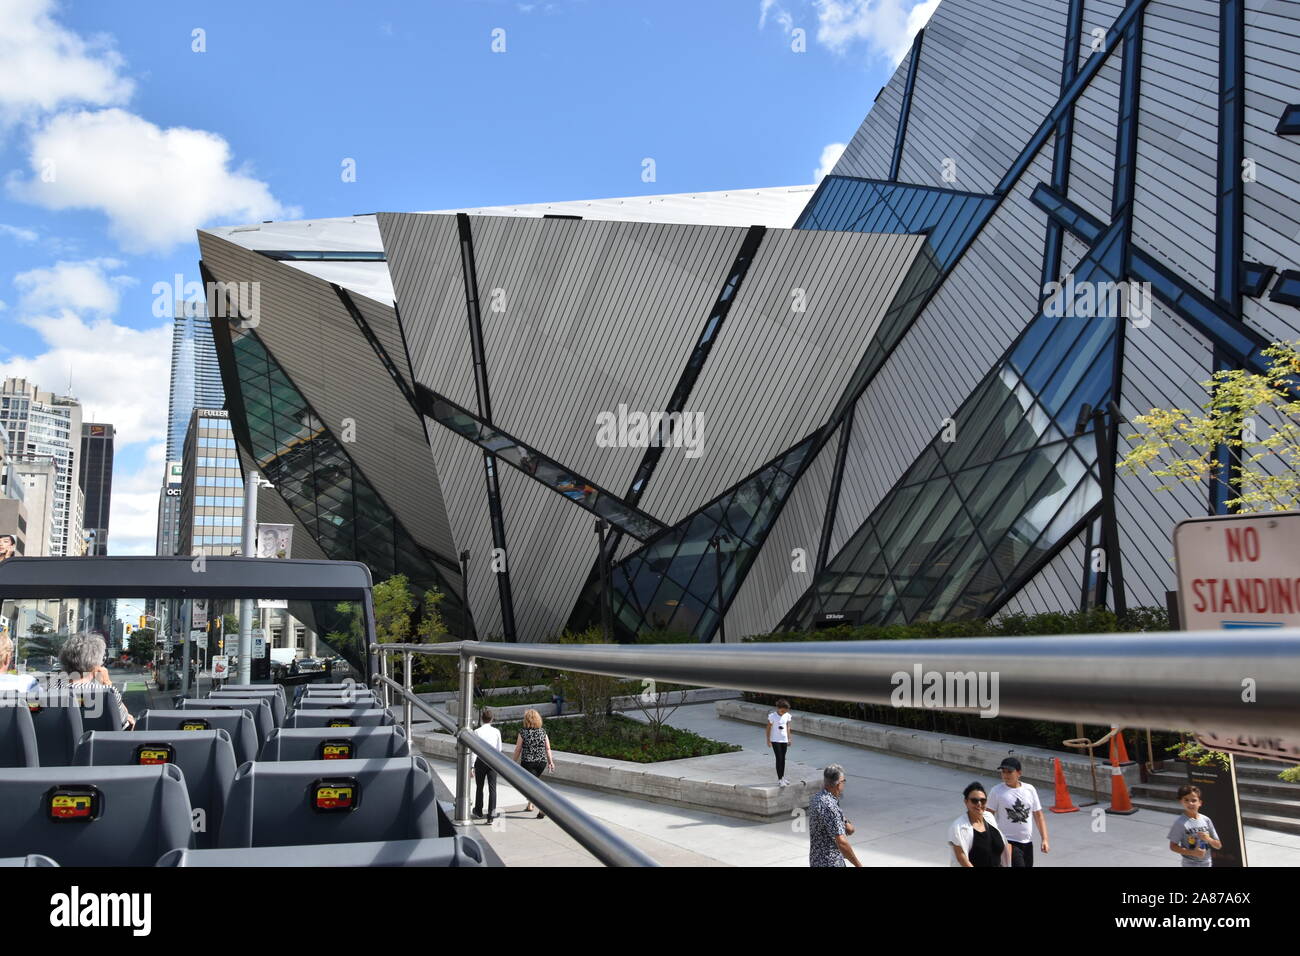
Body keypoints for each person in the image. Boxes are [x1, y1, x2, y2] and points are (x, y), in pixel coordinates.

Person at [59, 631, 134, 729]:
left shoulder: (49, 690)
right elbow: (125, 721)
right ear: (97, 664)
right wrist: (107, 684)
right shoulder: (107, 694)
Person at [986, 757, 1049, 866]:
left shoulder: (1030, 789)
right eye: (1003, 772)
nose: (1005, 775)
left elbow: (1039, 816)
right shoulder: (996, 791)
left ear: (1019, 773)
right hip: (1008, 841)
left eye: (1009, 772)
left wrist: (1045, 839)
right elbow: (988, 816)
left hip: (1027, 842)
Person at [808, 764, 861, 867]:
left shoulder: (816, 798)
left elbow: (846, 828)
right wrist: (859, 865)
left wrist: (844, 821)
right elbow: (842, 842)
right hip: (830, 862)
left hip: (816, 860)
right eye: (843, 781)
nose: (844, 784)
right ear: (838, 784)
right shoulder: (830, 806)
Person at [949, 781, 1011, 867]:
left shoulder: (989, 817)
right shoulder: (958, 827)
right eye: (974, 801)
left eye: (983, 800)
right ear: (966, 802)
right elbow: (961, 857)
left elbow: (1003, 844)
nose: (979, 804)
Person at [513, 708, 555, 819]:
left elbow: (518, 749)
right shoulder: (543, 732)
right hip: (541, 762)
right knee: (533, 783)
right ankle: (530, 804)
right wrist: (550, 762)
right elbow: (548, 748)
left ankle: (542, 808)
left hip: (528, 762)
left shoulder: (523, 732)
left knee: (532, 786)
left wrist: (512, 762)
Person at [1168, 784, 1221, 867]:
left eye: (1194, 800)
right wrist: (1193, 853)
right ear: (1181, 801)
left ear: (1200, 803)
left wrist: (1208, 839)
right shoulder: (1179, 823)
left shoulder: (1206, 820)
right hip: (1189, 863)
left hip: (1207, 862)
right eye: (1186, 800)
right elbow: (1173, 846)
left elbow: (1218, 845)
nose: (1190, 803)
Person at [472, 708, 503, 822]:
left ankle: (478, 811)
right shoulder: (496, 732)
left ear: (481, 719)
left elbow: (474, 750)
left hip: (480, 761)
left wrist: (471, 766)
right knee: (492, 788)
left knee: (479, 787)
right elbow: (499, 749)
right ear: (492, 719)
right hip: (492, 761)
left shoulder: (477, 732)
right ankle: (491, 815)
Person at [766, 698, 794, 786]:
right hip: (775, 740)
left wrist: (789, 738)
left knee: (783, 759)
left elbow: (788, 727)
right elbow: (768, 728)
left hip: (784, 740)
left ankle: (782, 778)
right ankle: (779, 779)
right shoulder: (772, 716)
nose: (784, 713)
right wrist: (768, 740)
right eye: (782, 711)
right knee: (779, 758)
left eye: (785, 711)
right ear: (778, 708)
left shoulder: (787, 716)